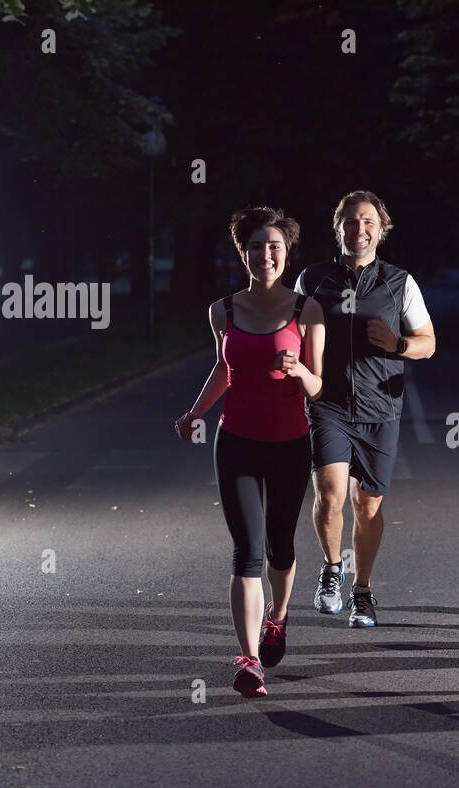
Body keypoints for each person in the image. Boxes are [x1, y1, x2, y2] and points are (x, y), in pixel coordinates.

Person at [175, 207, 324, 698]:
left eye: (275, 246)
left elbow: (318, 386)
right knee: (247, 552)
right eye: (256, 247)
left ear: (288, 252)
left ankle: (277, 619)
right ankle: (249, 659)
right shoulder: (224, 310)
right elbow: (223, 369)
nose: (265, 255)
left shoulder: (308, 310)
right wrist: (195, 413)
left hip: (288, 444)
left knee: (281, 547)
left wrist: (298, 370)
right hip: (236, 440)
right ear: (243, 253)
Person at [295, 190, 436, 627]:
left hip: (381, 405)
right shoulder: (312, 279)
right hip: (328, 403)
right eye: (351, 222)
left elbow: (428, 343)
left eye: (368, 222)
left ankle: (363, 591)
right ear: (339, 228)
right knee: (331, 495)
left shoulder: (399, 282)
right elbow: (292, 336)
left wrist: (398, 344)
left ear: (381, 227)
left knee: (368, 505)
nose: (360, 230)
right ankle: (333, 569)